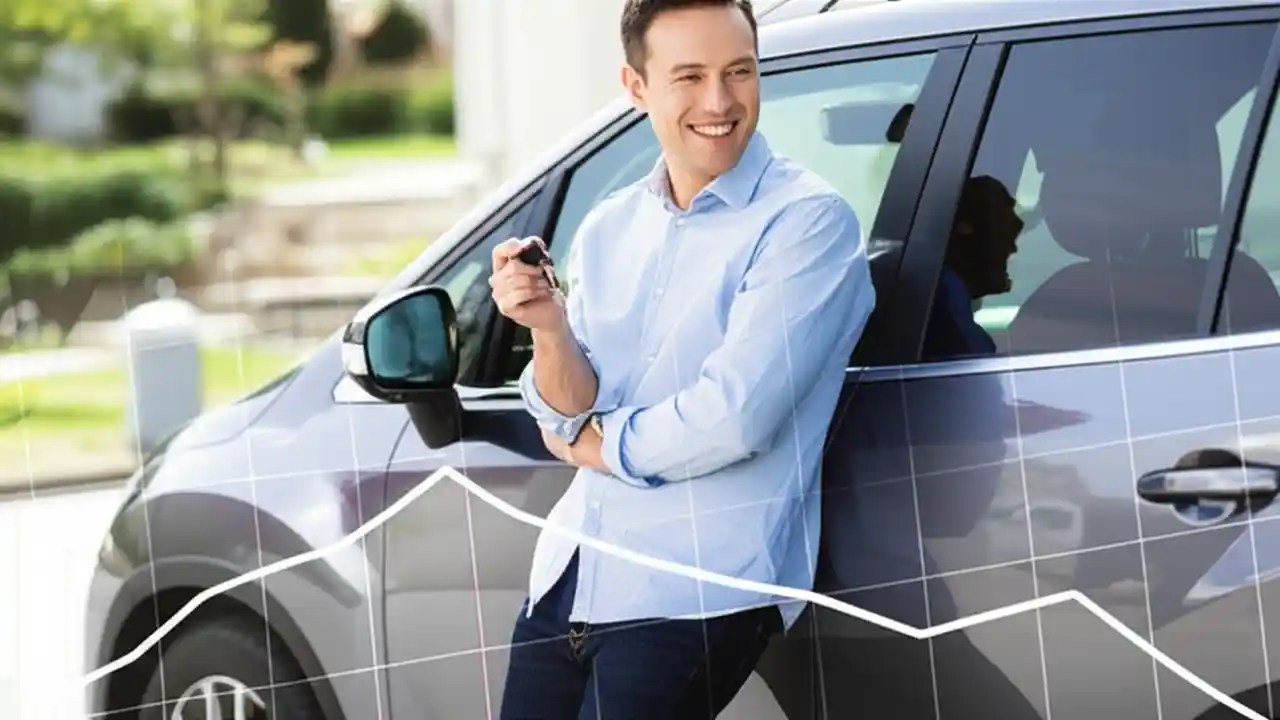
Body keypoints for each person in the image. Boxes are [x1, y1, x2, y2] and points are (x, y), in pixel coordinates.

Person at [487, 1, 875, 717]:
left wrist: (595, 444)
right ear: (636, 86)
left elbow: (733, 416)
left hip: (695, 588)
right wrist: (548, 329)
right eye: (689, 77)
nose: (719, 102)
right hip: (574, 574)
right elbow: (570, 405)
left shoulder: (808, 223)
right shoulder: (609, 228)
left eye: (739, 72)